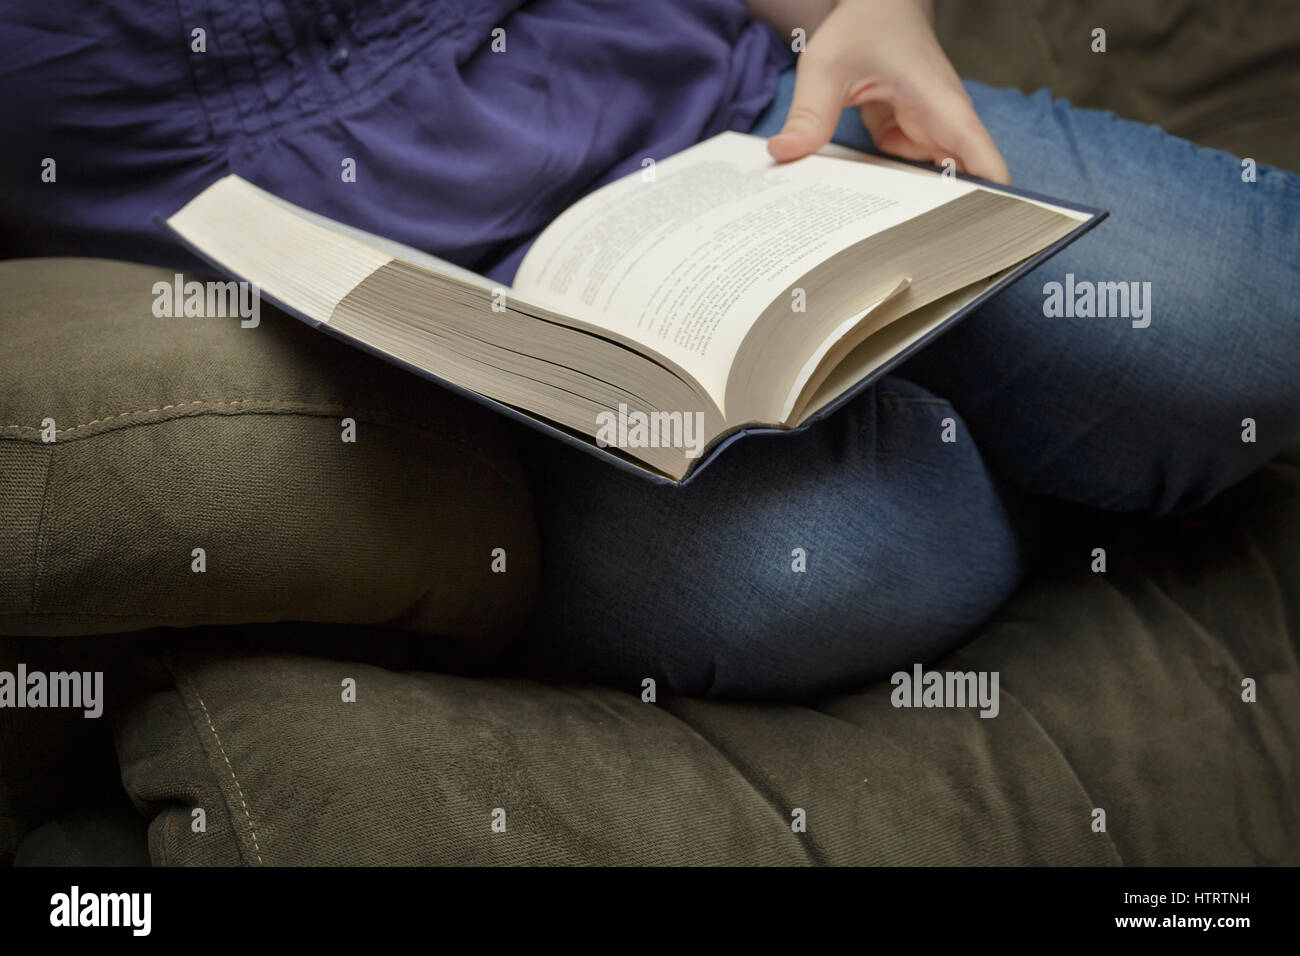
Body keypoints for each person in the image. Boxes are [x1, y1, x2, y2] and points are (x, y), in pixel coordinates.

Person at [3, 0, 1297, 697]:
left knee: (1258, 323)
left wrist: (857, 6)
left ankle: (974, 405)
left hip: (734, 116)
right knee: (859, 564)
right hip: (444, 332)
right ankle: (991, 437)